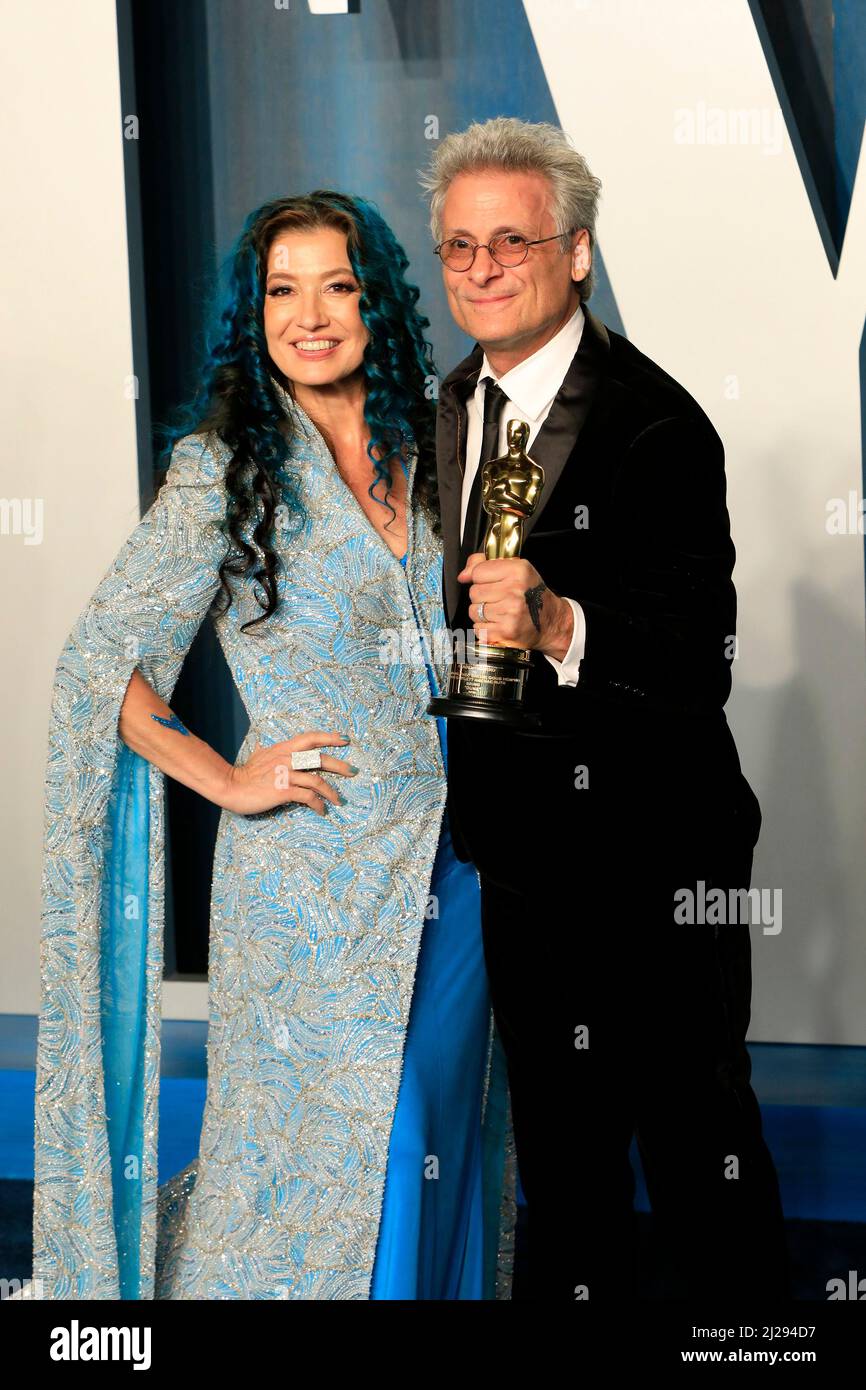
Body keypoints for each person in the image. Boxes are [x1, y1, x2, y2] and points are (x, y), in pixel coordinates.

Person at [30, 190, 516, 1301]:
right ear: (253, 315)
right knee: (359, 1147)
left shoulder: (444, 445)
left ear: (376, 303)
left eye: (335, 286)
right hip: (309, 880)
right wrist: (228, 780)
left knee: (442, 1124)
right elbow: (99, 660)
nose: (309, 316)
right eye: (279, 291)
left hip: (462, 868)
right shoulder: (222, 468)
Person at [420, 117, 790, 1301]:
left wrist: (560, 622)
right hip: (522, 861)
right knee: (565, 1168)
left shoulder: (655, 423)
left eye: (509, 244)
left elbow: (697, 660)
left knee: (697, 1152)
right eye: (458, 248)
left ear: (575, 253)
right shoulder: (450, 404)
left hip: (655, 852)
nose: (480, 270)